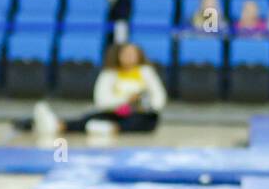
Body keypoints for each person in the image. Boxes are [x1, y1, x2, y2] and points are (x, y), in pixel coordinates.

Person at [22, 43, 167, 137]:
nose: (129, 58)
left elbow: (159, 96)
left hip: (140, 115)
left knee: (145, 122)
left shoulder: (146, 72)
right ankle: (56, 125)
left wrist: (147, 106)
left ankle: (108, 129)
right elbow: (102, 100)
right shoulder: (109, 74)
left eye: (132, 54)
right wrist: (125, 100)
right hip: (115, 112)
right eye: (126, 54)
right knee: (89, 118)